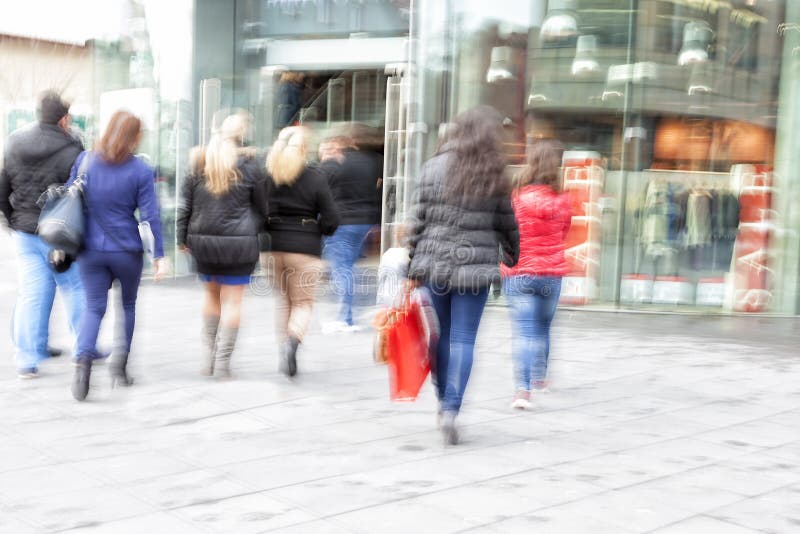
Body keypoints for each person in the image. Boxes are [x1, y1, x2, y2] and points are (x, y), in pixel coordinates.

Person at [407, 106, 519, 445]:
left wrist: (411, 265)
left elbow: (418, 220)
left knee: (439, 335)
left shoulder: (432, 166)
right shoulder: (493, 170)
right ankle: (453, 408)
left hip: (435, 265)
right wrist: (513, 254)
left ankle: (442, 402)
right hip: (476, 268)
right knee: (464, 339)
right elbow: (506, 222)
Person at [67, 110, 167, 401]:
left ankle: (83, 365)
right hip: (126, 251)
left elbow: (73, 198)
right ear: (135, 139)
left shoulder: (85, 161)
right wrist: (158, 255)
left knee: (94, 307)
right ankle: (120, 368)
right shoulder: (140, 171)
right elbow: (149, 218)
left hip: (90, 250)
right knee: (128, 307)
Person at [0, 90, 86, 378]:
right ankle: (82, 349)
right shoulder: (73, 146)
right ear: (64, 119)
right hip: (60, 233)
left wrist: (12, 219)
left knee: (31, 294)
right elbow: (80, 191)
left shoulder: (14, 141)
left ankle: (27, 358)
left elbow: (3, 184)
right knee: (74, 287)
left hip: (25, 231)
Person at [177, 113, 268, 379]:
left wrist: (183, 238)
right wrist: (258, 233)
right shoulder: (252, 167)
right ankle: (223, 364)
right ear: (243, 136)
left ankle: (208, 360)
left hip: (203, 242)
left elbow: (186, 207)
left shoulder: (198, 165)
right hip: (240, 245)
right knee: (234, 302)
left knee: (211, 297)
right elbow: (262, 208)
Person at [502, 139, 571, 410]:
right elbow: (563, 233)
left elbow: (507, 234)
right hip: (551, 273)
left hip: (519, 272)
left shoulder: (516, 198)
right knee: (543, 328)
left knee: (524, 332)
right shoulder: (564, 200)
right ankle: (540, 377)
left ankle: (523, 390)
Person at [264, 126, 339, 377]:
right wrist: (319, 230)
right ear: (304, 149)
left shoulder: (269, 175)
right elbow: (331, 219)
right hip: (305, 248)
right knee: (303, 303)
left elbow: (258, 211)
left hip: (274, 247)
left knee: (283, 301)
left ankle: (283, 349)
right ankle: (293, 342)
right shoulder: (315, 177)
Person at [322, 129, 382, 332]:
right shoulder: (371, 162)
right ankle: (347, 313)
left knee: (342, 268)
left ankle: (345, 318)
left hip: (342, 221)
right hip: (363, 220)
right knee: (347, 267)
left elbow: (324, 191)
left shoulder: (338, 163)